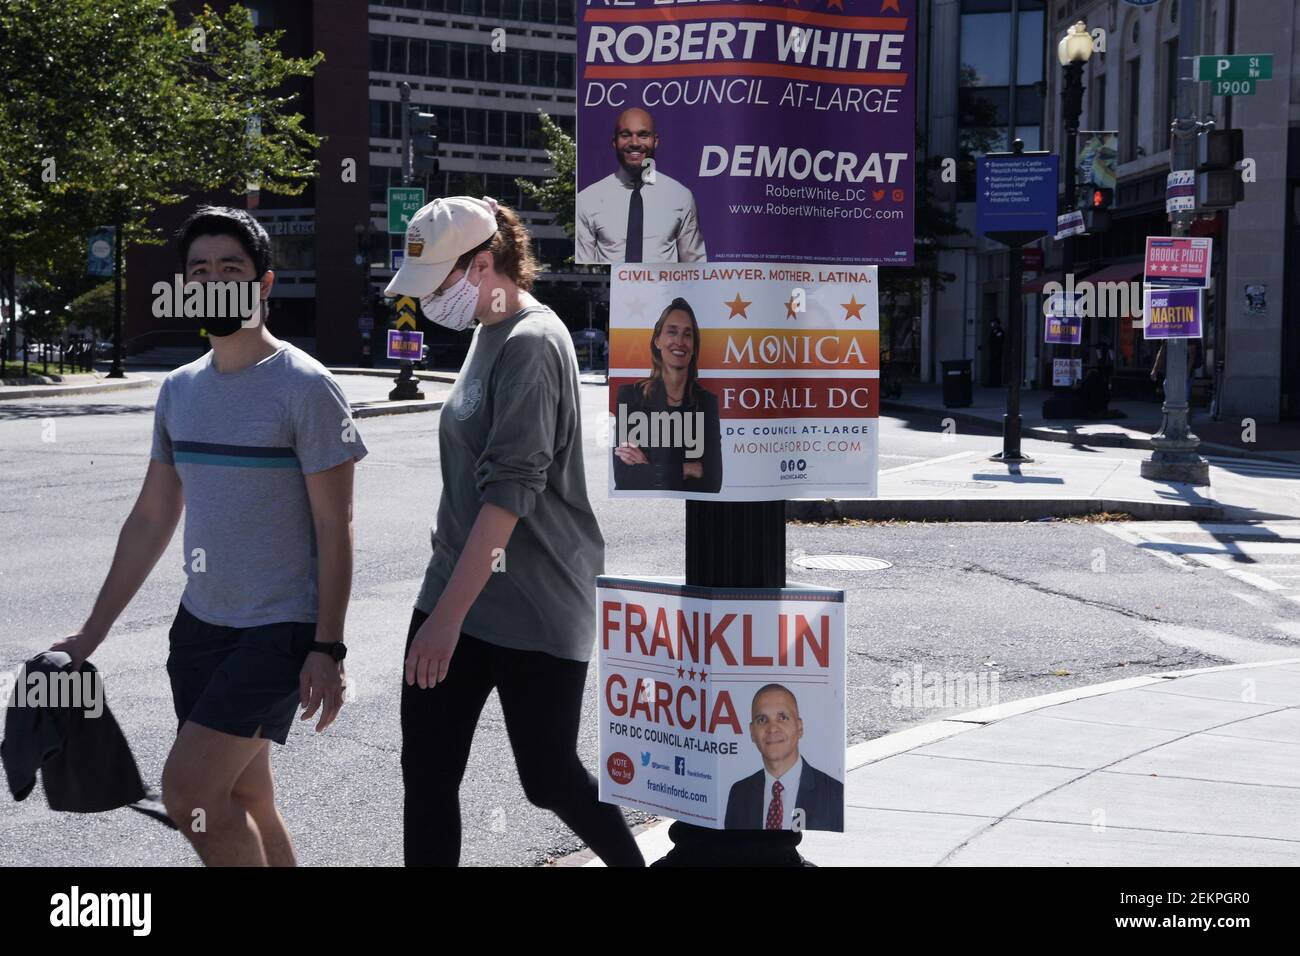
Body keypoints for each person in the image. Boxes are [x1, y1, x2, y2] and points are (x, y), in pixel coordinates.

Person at [51, 205, 366, 866]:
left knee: (188, 792)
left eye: (231, 268)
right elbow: (150, 519)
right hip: (198, 631)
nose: (214, 280)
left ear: (264, 283)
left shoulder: (307, 389)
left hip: (277, 631)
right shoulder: (179, 391)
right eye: (201, 270)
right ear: (186, 287)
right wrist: (91, 632)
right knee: (247, 798)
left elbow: (335, 529)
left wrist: (327, 647)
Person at [386, 195, 645, 867]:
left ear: (481, 265)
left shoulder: (531, 341)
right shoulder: (487, 326)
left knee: (548, 777)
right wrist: (445, 608)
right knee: (429, 776)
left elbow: (508, 498)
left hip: (533, 601)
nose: (427, 301)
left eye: (437, 283)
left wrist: (444, 619)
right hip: (456, 588)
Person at [613, 298, 723, 493]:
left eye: (687, 334)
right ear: (657, 340)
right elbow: (624, 478)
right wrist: (690, 468)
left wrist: (648, 467)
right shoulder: (630, 396)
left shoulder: (706, 402)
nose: (680, 341)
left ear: (694, 346)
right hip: (645, 514)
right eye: (672, 331)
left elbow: (713, 481)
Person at [576, 107, 707, 264]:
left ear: (655, 141)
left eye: (643, 135)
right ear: (614, 142)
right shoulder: (587, 199)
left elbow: (695, 268)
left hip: (664, 288)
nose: (635, 143)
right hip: (608, 289)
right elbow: (584, 269)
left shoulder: (680, 196)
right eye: (625, 135)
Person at [724, 684, 844, 832]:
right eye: (762, 720)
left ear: (799, 727)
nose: (772, 728)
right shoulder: (739, 794)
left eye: (782, 718)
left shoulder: (834, 794)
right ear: (752, 732)